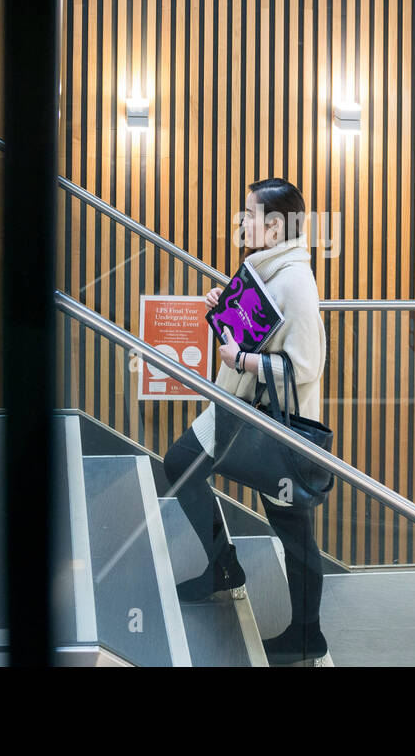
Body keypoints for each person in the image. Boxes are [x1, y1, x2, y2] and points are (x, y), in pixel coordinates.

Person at [161, 177, 330, 665]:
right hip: (236, 410)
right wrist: (224, 308)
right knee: (181, 462)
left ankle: (306, 634)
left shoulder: (296, 281)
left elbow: (305, 366)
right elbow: (257, 329)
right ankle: (222, 566)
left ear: (275, 226)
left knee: (293, 531)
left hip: (274, 423)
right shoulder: (266, 268)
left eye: (249, 215)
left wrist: (241, 360)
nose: (242, 222)